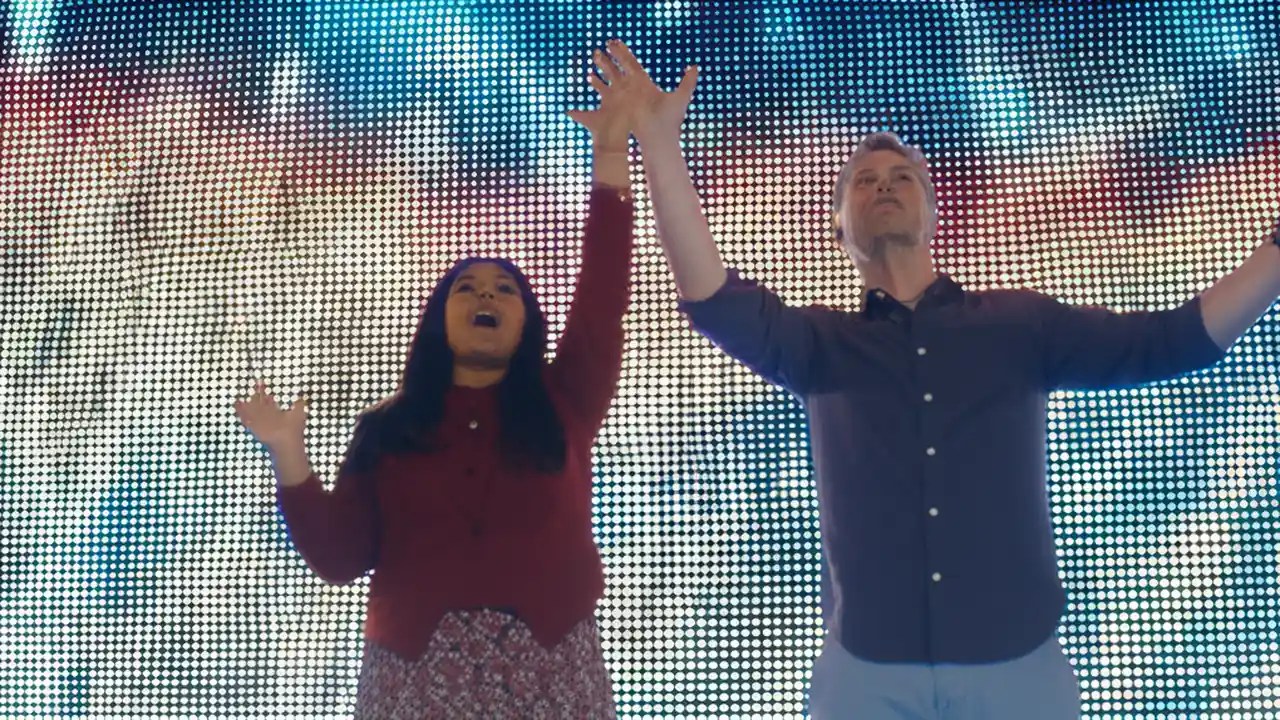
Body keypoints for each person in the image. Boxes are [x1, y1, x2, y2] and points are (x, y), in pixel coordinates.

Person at [599, 39, 1280, 719]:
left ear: (932, 212)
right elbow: (710, 299)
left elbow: (1171, 342)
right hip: (866, 676)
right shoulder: (821, 343)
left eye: (902, 177)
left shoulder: (1017, 324)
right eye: (863, 181)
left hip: (1018, 670)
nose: (883, 186)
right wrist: (660, 146)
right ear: (839, 227)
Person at [234, 51, 635, 718]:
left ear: (527, 324)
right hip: (414, 678)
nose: (487, 294)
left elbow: (601, 295)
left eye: (506, 289)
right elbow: (340, 557)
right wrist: (289, 456)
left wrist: (610, 153)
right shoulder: (388, 429)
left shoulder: (566, 403)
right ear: (437, 320)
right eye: (468, 288)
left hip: (553, 671)